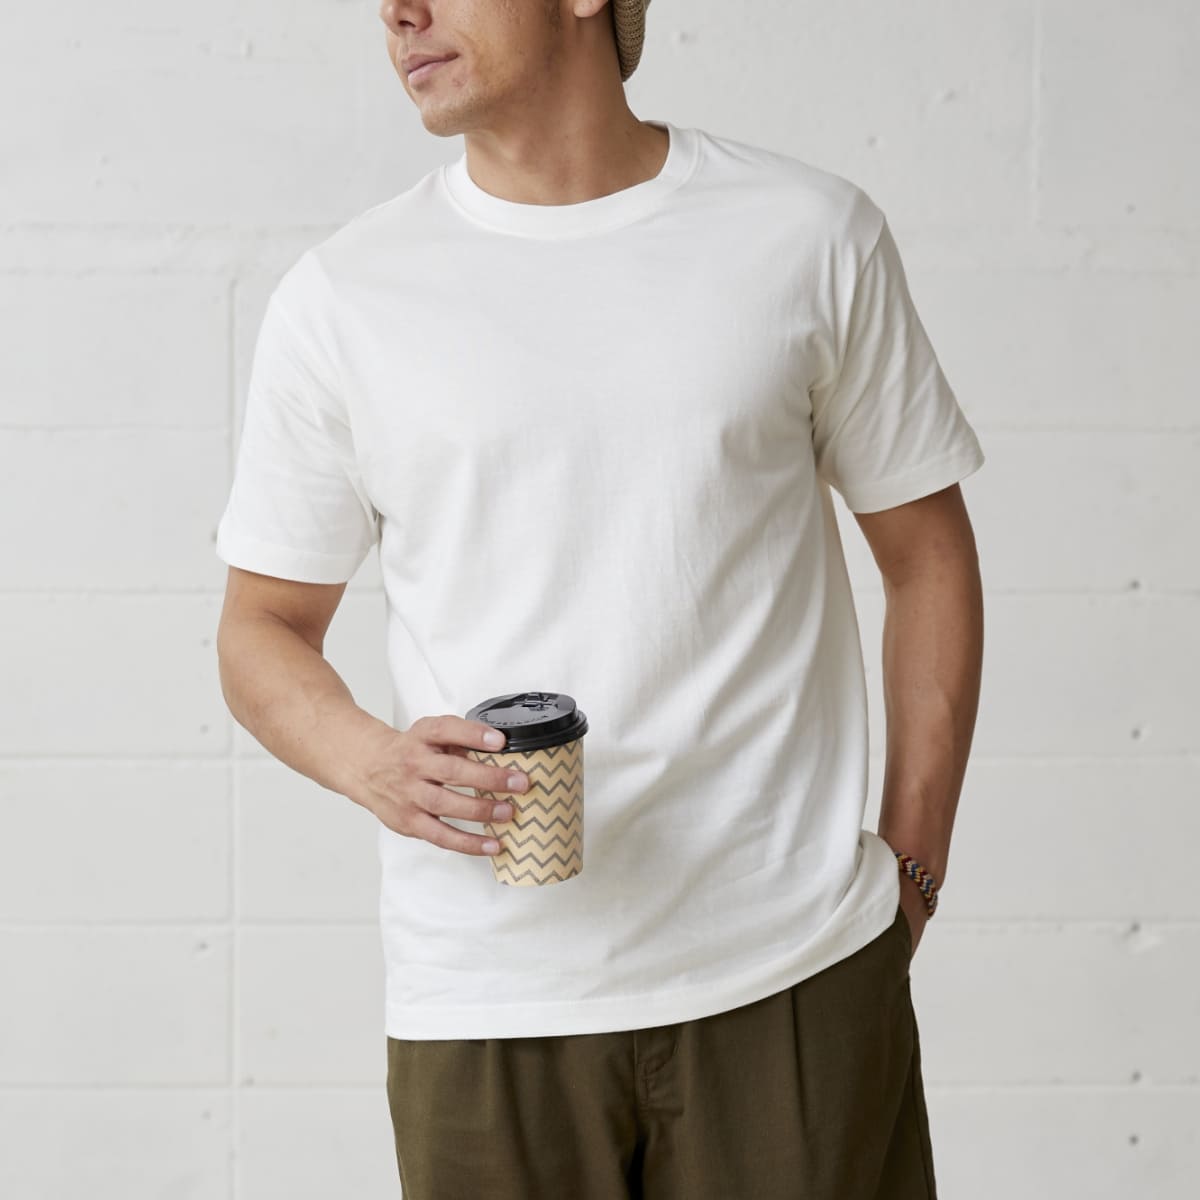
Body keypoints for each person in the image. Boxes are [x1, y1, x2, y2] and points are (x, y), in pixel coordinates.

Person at [213, 1, 985, 1196]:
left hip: (793, 971)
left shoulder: (806, 235)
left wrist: (911, 879)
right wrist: (371, 762)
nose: (398, 13)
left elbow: (928, 556)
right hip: (487, 1001)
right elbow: (260, 626)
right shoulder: (343, 298)